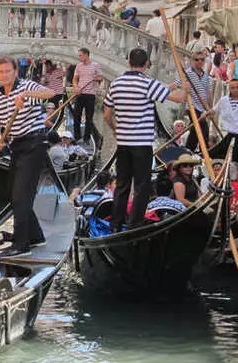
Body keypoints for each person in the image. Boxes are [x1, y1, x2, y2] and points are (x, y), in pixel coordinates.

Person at [103, 48, 190, 232]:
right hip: (141, 145)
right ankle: (134, 225)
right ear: (146, 64)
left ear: (129, 62)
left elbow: (107, 114)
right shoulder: (148, 83)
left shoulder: (116, 84)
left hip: (123, 144)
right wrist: (186, 87)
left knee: (122, 185)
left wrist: (115, 130)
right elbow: (180, 98)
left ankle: (115, 225)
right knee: (142, 186)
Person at [0, 56, 54, 256]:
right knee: (12, 194)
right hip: (17, 146)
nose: (5, 75)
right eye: (1, 72)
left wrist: (26, 94)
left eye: (8, 71)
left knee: (20, 195)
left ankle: (21, 243)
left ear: (15, 72)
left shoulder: (25, 85)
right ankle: (35, 236)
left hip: (34, 143)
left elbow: (50, 93)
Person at [175, 51, 211, 151]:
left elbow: (207, 93)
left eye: (202, 59)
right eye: (196, 59)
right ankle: (206, 152)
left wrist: (208, 108)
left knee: (195, 132)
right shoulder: (188, 74)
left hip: (202, 108)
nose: (199, 61)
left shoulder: (206, 76)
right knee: (204, 129)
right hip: (192, 107)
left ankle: (188, 151)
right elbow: (176, 84)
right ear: (192, 61)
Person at [73, 48, 103, 144]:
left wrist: (96, 78)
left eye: (80, 55)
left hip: (90, 94)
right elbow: (75, 79)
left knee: (89, 118)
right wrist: (76, 87)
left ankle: (86, 138)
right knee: (76, 116)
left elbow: (100, 77)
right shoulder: (78, 66)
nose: (79, 57)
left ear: (86, 55)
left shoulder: (95, 66)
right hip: (80, 93)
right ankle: (77, 137)